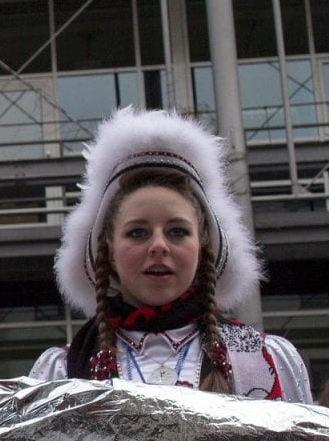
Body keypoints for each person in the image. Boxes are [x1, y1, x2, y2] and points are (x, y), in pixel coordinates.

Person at [30, 107, 312, 403]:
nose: (159, 246)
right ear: (109, 252)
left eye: (177, 231)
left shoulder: (265, 361)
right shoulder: (60, 374)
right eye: (137, 232)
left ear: (203, 246)